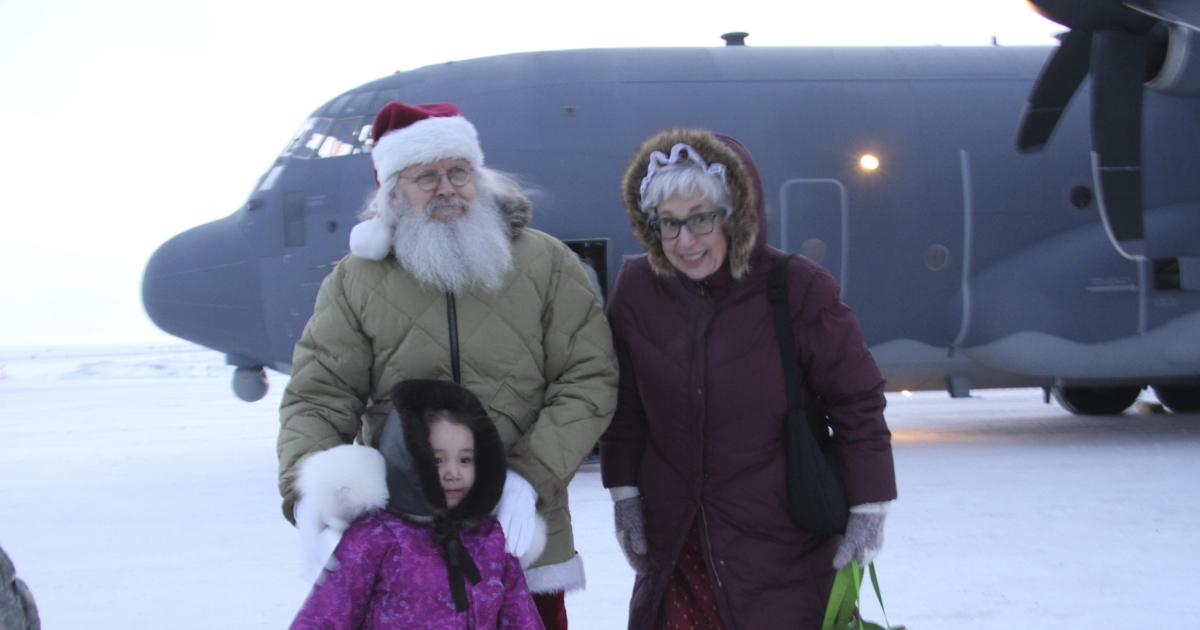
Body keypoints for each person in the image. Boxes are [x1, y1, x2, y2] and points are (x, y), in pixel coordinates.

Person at [277, 101, 618, 630]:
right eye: (426, 176)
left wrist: (530, 475)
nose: (447, 189)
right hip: (403, 550)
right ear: (394, 191)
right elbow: (320, 393)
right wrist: (311, 486)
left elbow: (588, 376)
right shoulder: (356, 281)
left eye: (458, 171)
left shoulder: (545, 263)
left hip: (521, 538)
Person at [600, 128, 897, 629]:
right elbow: (625, 404)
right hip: (677, 548)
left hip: (782, 549)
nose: (684, 241)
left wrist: (869, 505)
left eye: (700, 218)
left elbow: (857, 402)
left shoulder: (797, 287)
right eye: (668, 223)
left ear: (735, 214)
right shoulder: (636, 290)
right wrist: (625, 494)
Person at [289, 379, 545, 629]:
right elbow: (325, 616)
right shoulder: (375, 538)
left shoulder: (491, 539)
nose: (453, 473)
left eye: (465, 460)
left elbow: (520, 616)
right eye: (437, 460)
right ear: (406, 459)